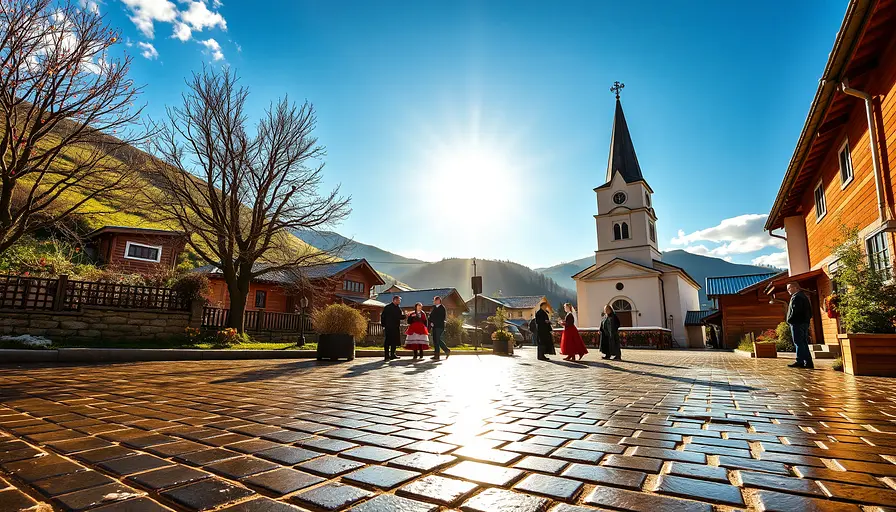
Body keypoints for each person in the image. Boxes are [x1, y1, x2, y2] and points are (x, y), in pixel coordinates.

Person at [786, 282, 813, 369]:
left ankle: (800, 361)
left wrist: (790, 320)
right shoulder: (804, 297)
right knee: (803, 342)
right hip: (804, 322)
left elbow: (795, 311)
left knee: (798, 342)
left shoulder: (797, 297)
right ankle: (808, 362)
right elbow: (810, 311)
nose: (788, 290)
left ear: (795, 287)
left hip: (797, 323)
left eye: (789, 288)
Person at [380, 296, 406, 361]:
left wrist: (405, 316)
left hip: (395, 327)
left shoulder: (398, 308)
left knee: (394, 341)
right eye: (399, 300)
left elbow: (399, 317)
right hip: (388, 327)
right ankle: (386, 356)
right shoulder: (387, 307)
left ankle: (392, 354)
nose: (399, 302)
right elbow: (383, 316)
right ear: (395, 300)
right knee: (387, 341)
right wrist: (383, 325)